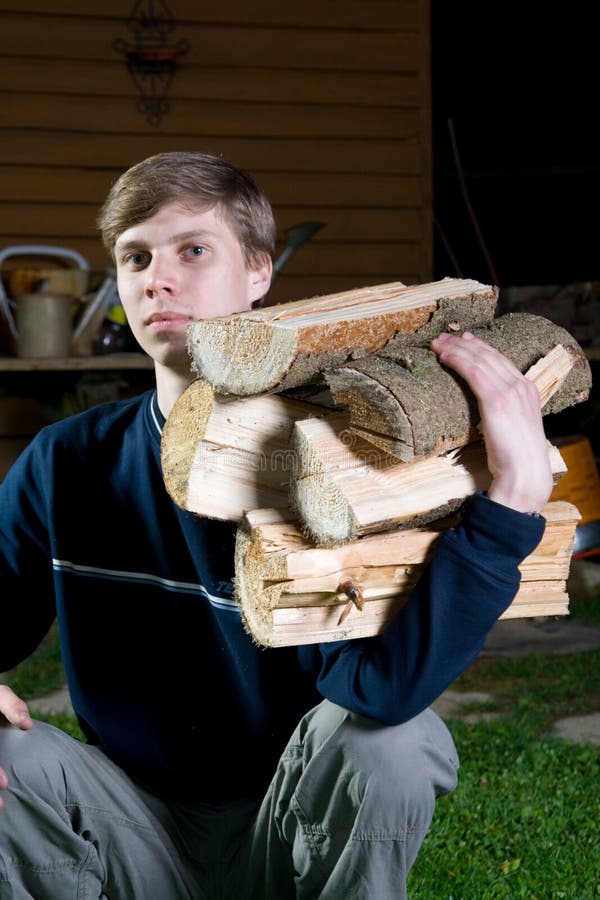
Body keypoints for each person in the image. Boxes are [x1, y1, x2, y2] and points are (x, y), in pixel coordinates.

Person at [0, 151, 552, 899]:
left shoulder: (340, 466)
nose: (157, 277)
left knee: (393, 744)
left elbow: (384, 693)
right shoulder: (66, 462)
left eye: (193, 250)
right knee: (11, 754)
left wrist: (513, 496)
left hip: (290, 828)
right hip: (126, 826)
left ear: (259, 271)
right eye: (135, 256)